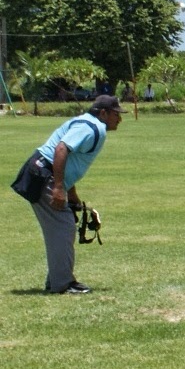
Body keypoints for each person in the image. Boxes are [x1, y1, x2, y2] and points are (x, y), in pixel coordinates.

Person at [11, 95, 125, 294]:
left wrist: (70, 192)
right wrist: (57, 187)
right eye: (116, 114)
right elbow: (61, 149)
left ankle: (58, 279)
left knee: (61, 228)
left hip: (40, 171)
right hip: (44, 174)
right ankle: (63, 284)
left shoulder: (87, 123)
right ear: (104, 113)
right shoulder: (92, 127)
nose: (120, 119)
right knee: (63, 227)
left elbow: (70, 159)